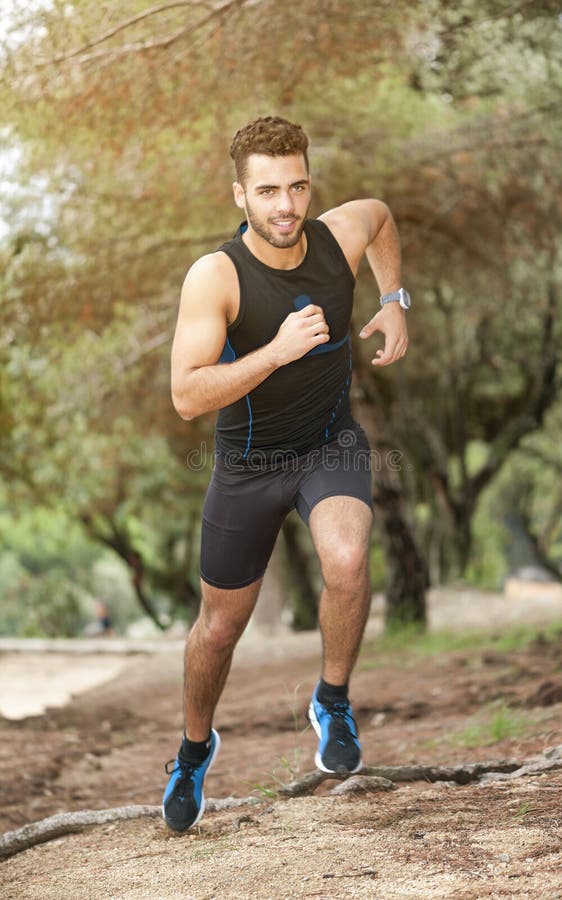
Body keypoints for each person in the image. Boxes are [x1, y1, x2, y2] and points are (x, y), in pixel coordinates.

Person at [163, 116, 409, 832]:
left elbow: (383, 217)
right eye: (267, 189)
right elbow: (186, 396)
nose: (285, 205)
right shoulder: (216, 277)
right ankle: (193, 749)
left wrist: (394, 302)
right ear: (239, 193)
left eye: (296, 186)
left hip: (328, 443)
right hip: (245, 466)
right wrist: (273, 352)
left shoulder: (339, 237)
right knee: (218, 629)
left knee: (346, 555)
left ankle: (331, 700)